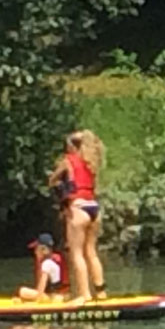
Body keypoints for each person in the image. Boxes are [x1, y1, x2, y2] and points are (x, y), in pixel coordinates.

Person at [50, 129, 106, 303]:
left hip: (78, 208)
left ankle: (84, 295)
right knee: (91, 252)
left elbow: (53, 181)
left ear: (70, 146)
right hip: (93, 207)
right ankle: (101, 292)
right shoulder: (91, 162)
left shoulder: (69, 161)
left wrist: (61, 191)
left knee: (76, 253)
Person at [17, 233, 69, 301]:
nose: (35, 253)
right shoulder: (58, 258)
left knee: (22, 291)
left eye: (36, 249)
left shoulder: (47, 263)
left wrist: (38, 298)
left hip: (56, 296)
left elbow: (42, 284)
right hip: (64, 293)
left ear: (44, 250)